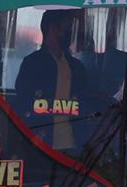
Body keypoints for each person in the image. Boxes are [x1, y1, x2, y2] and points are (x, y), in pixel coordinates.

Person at [14, 10, 113, 151]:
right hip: (41, 143)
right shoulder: (33, 63)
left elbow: (88, 98)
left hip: (75, 145)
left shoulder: (76, 66)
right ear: (53, 28)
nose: (70, 33)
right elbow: (24, 101)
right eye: (68, 28)